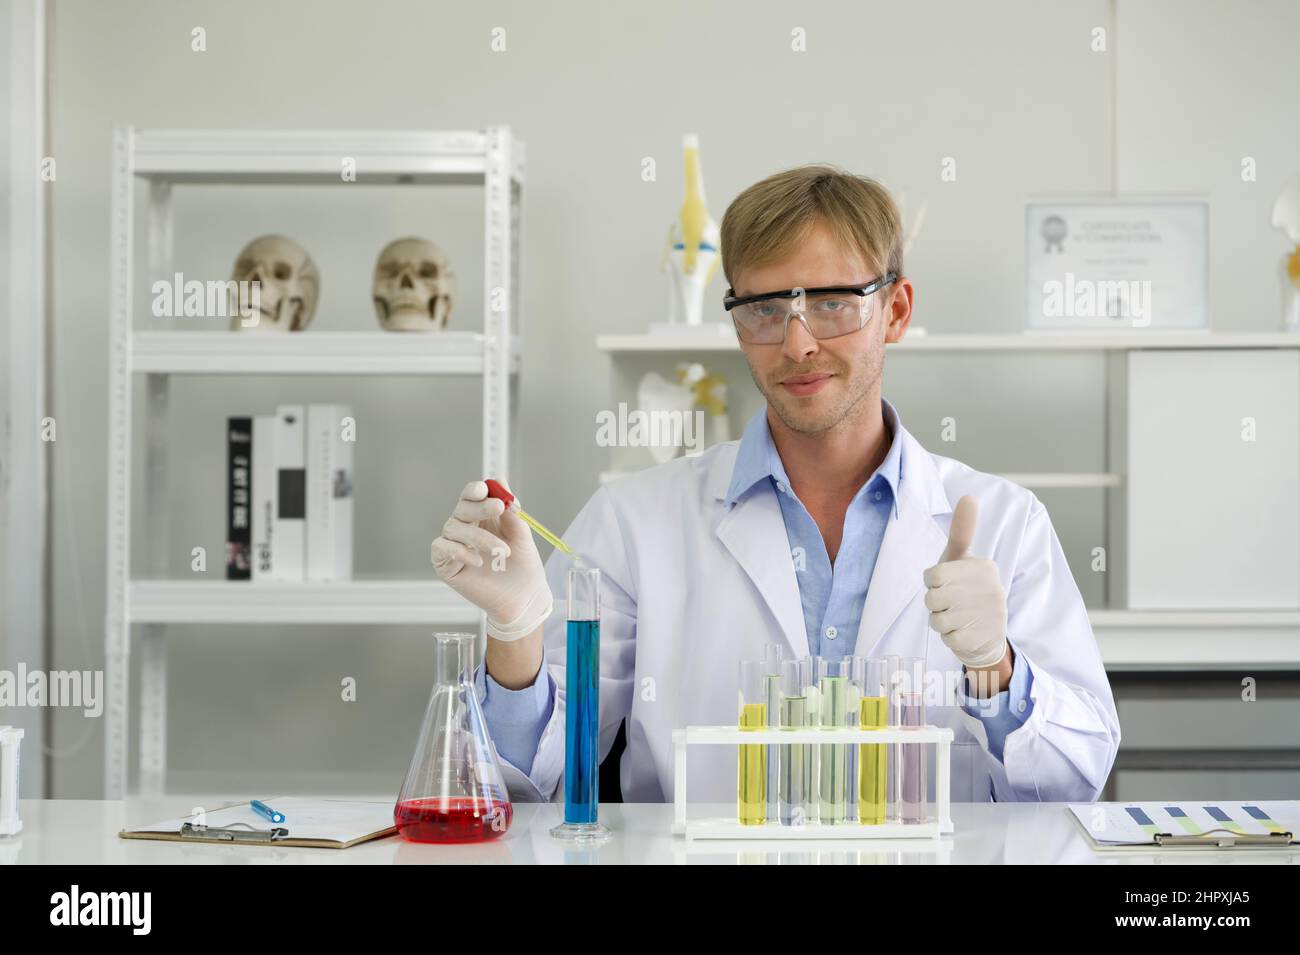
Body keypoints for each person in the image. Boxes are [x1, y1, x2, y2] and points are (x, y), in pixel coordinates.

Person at [431, 164, 1120, 804]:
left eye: (833, 303)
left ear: (896, 311)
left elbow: (1074, 782)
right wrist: (515, 635)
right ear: (737, 324)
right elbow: (523, 785)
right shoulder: (632, 521)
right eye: (764, 308)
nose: (797, 344)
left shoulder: (1007, 522)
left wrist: (997, 669)